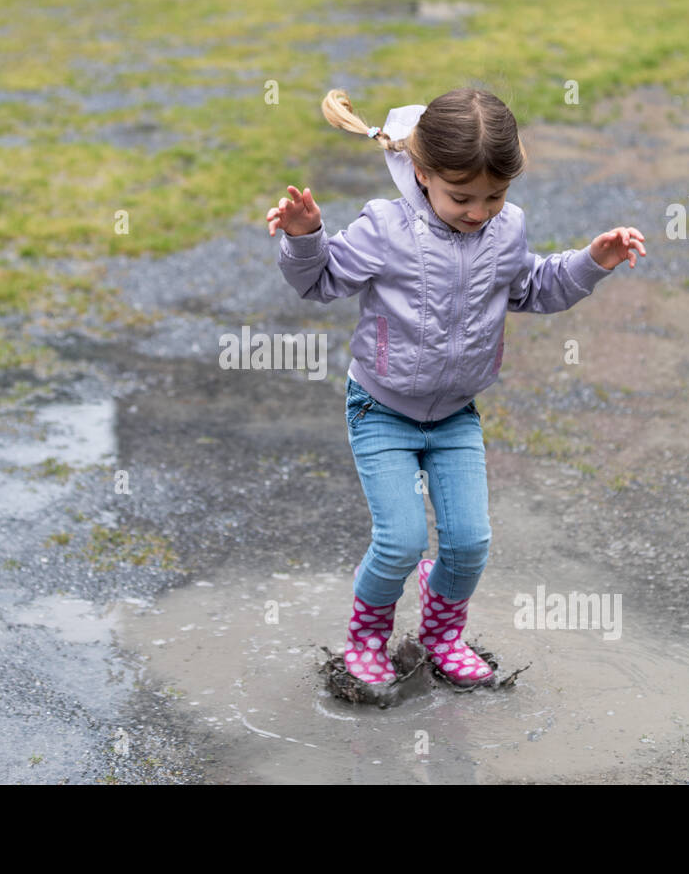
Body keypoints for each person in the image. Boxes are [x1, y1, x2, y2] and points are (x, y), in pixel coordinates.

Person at [267, 86, 646, 686]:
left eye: (495, 195)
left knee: (469, 542)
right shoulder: (385, 227)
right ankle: (367, 641)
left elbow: (532, 289)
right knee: (400, 540)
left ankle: (443, 636)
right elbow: (320, 282)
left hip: (455, 414)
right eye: (462, 196)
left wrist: (588, 262)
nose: (479, 210)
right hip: (381, 408)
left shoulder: (506, 229)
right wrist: (306, 236)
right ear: (421, 173)